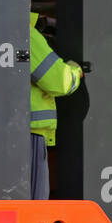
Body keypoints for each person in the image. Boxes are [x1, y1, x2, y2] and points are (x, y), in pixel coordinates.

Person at [29, 12, 82, 199]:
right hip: (30, 136)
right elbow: (58, 81)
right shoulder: (24, 34)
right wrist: (76, 70)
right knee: (34, 208)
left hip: (10, 134)